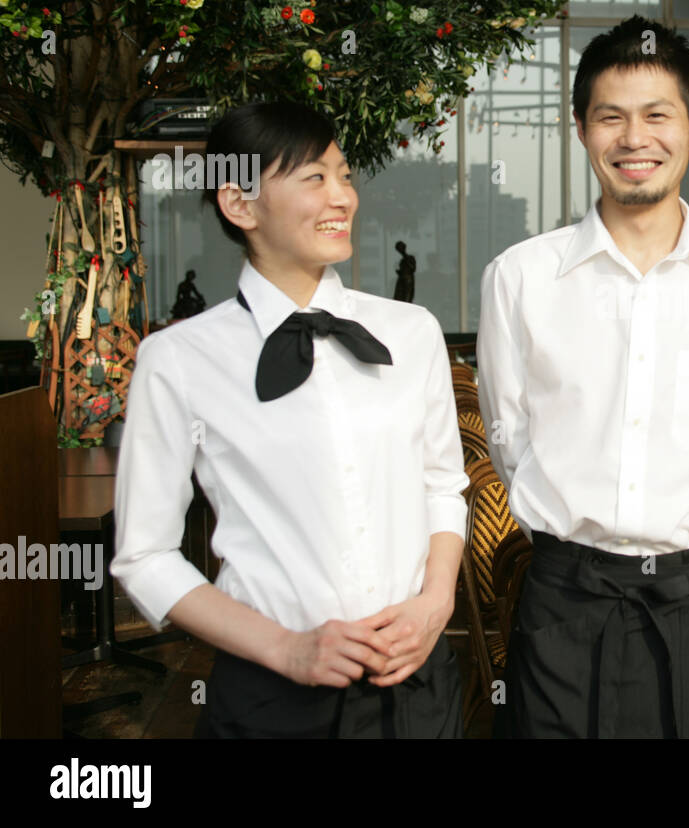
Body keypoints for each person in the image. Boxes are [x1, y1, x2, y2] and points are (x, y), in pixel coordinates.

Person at [112, 101, 469, 738]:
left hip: (416, 685)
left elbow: (443, 487)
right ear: (240, 204)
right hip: (272, 701)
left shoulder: (411, 332)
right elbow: (145, 555)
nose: (342, 198)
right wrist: (287, 650)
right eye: (313, 178)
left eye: (345, 174)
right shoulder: (179, 359)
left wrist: (434, 605)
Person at [477, 15, 689, 738]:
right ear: (581, 127)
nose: (635, 138)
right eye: (610, 117)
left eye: (658, 115)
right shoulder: (521, 278)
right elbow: (509, 440)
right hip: (563, 598)